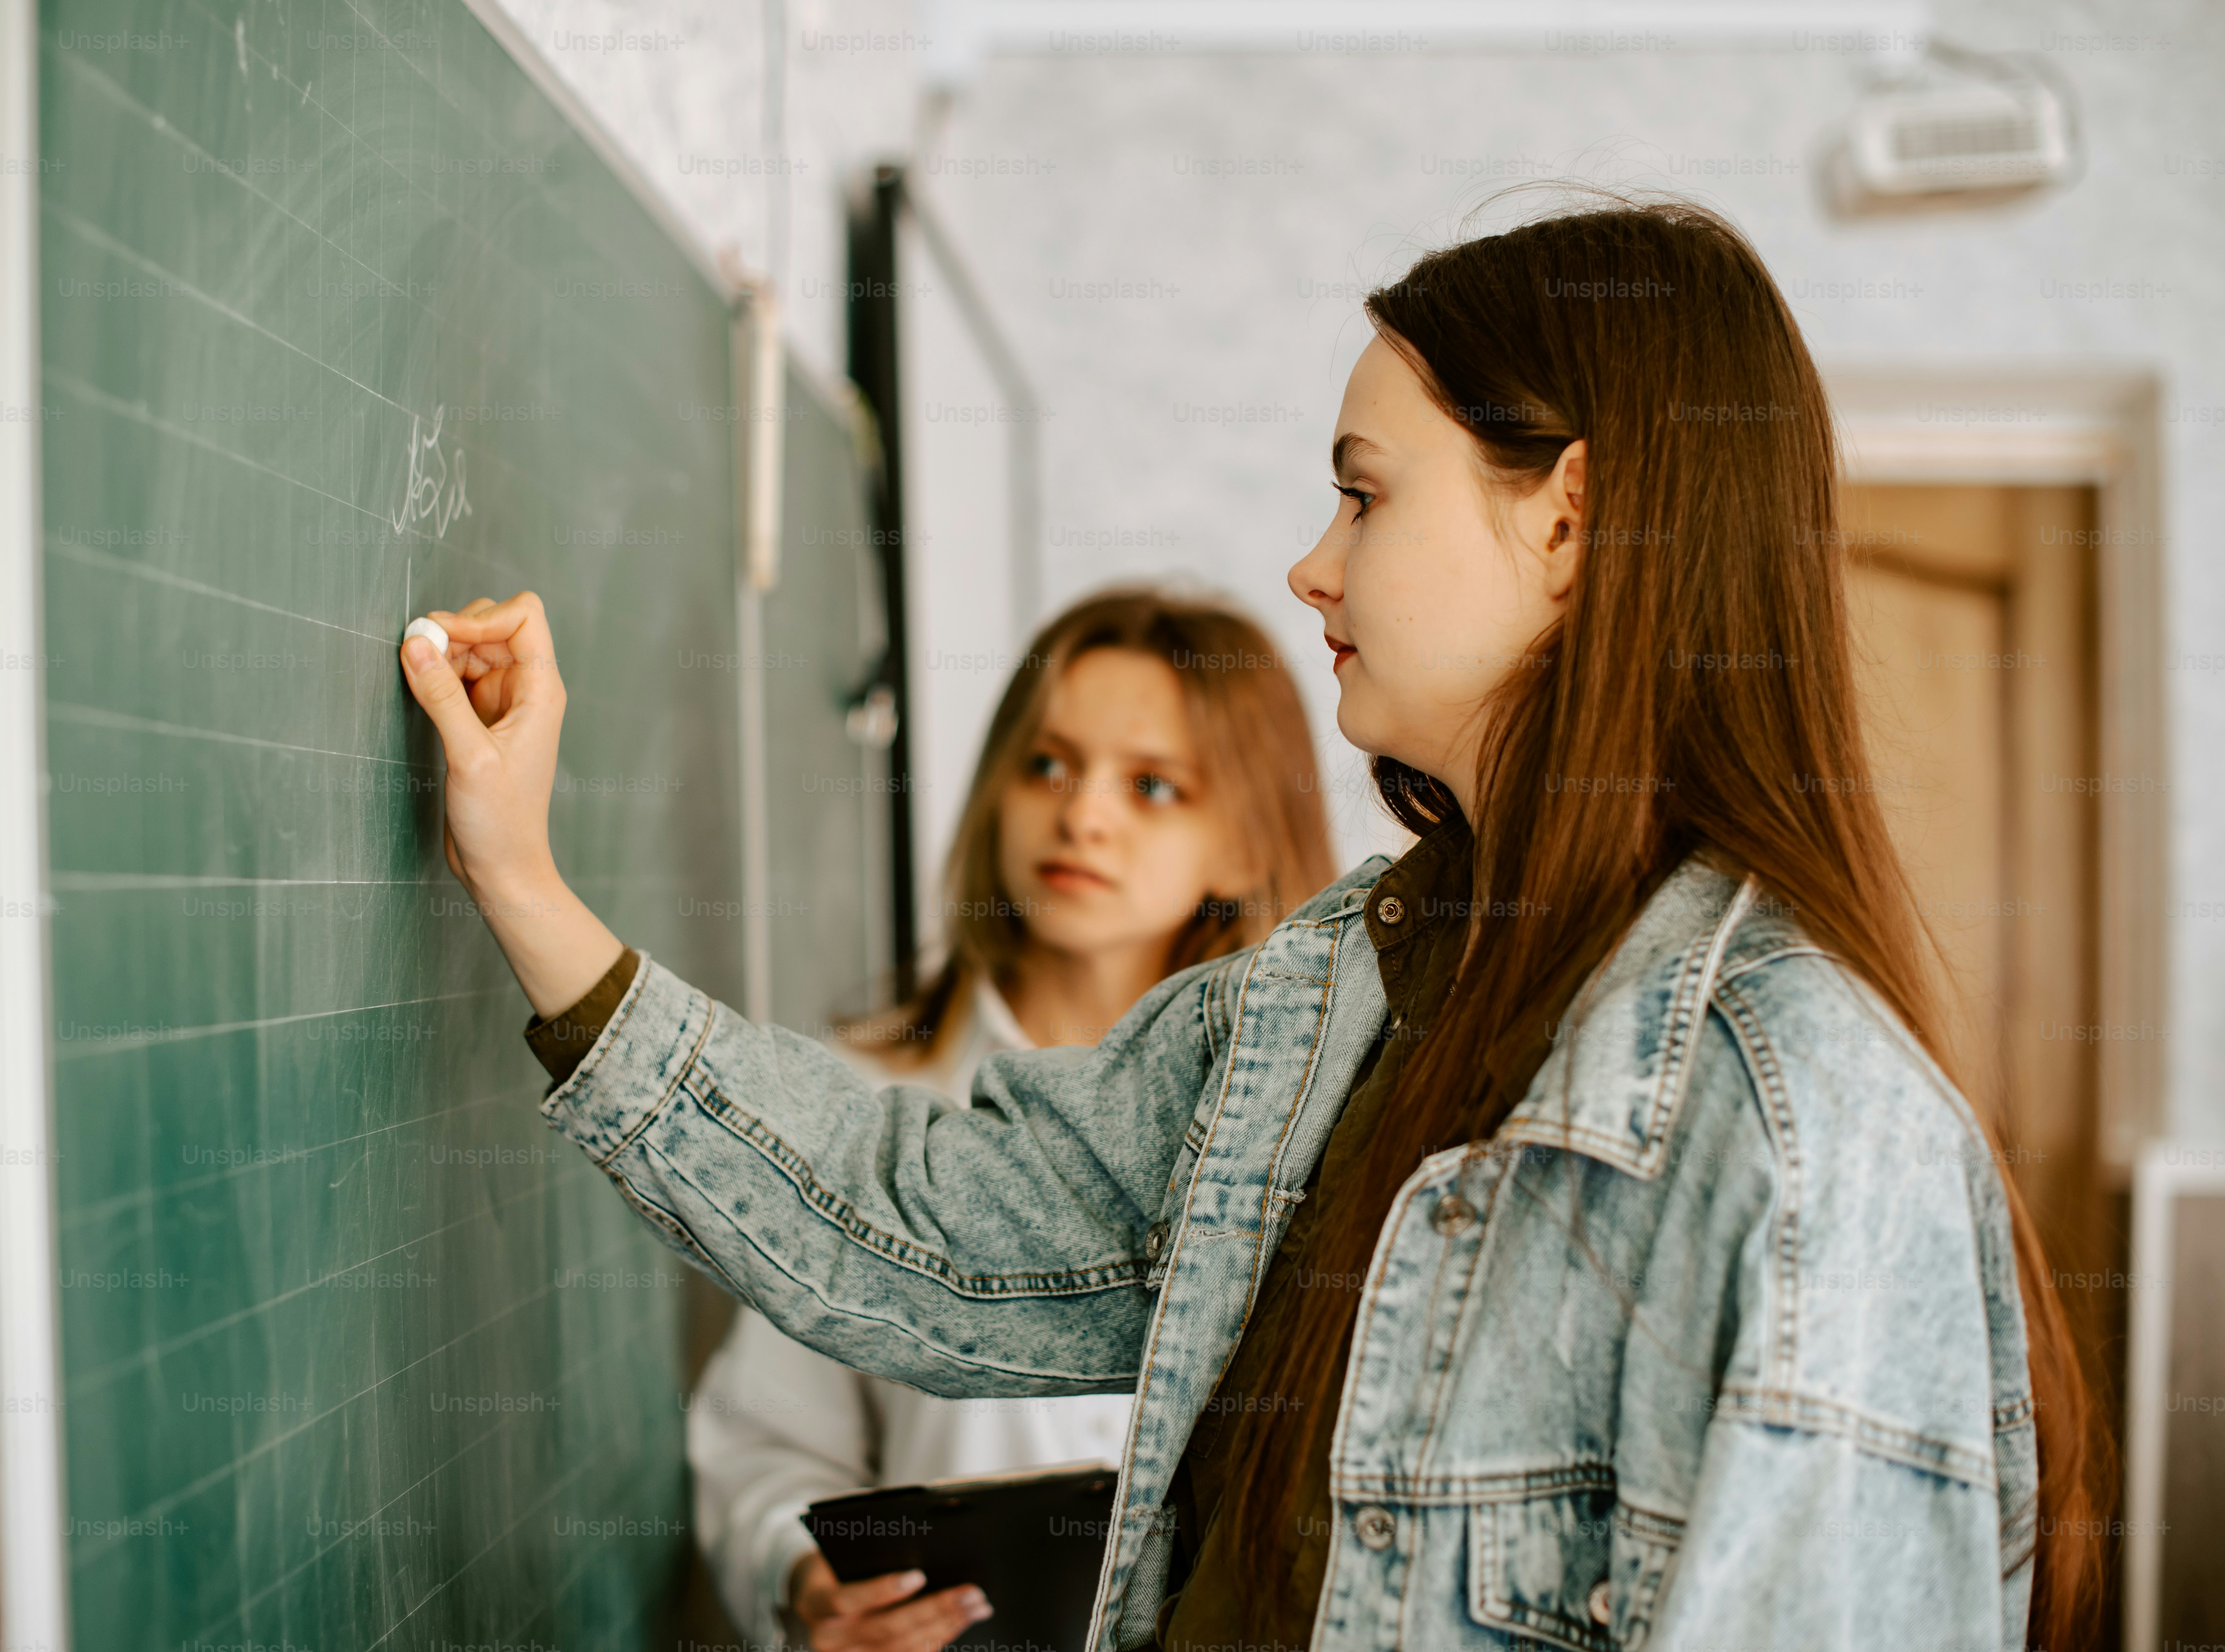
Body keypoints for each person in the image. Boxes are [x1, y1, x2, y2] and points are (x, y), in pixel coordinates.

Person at [397, 192, 2104, 1650]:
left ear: (1568, 521)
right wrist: (524, 882)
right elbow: (916, 1229)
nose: (1312, 563)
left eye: (1365, 494)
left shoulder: (1807, 1123)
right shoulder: (1338, 997)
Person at [680, 589, 1336, 1649]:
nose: (1082, 814)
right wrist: (809, 1585)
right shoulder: (862, 1096)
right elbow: (768, 1437)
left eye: (1153, 785)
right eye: (1047, 765)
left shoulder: (1309, 1132)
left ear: (1246, 846)